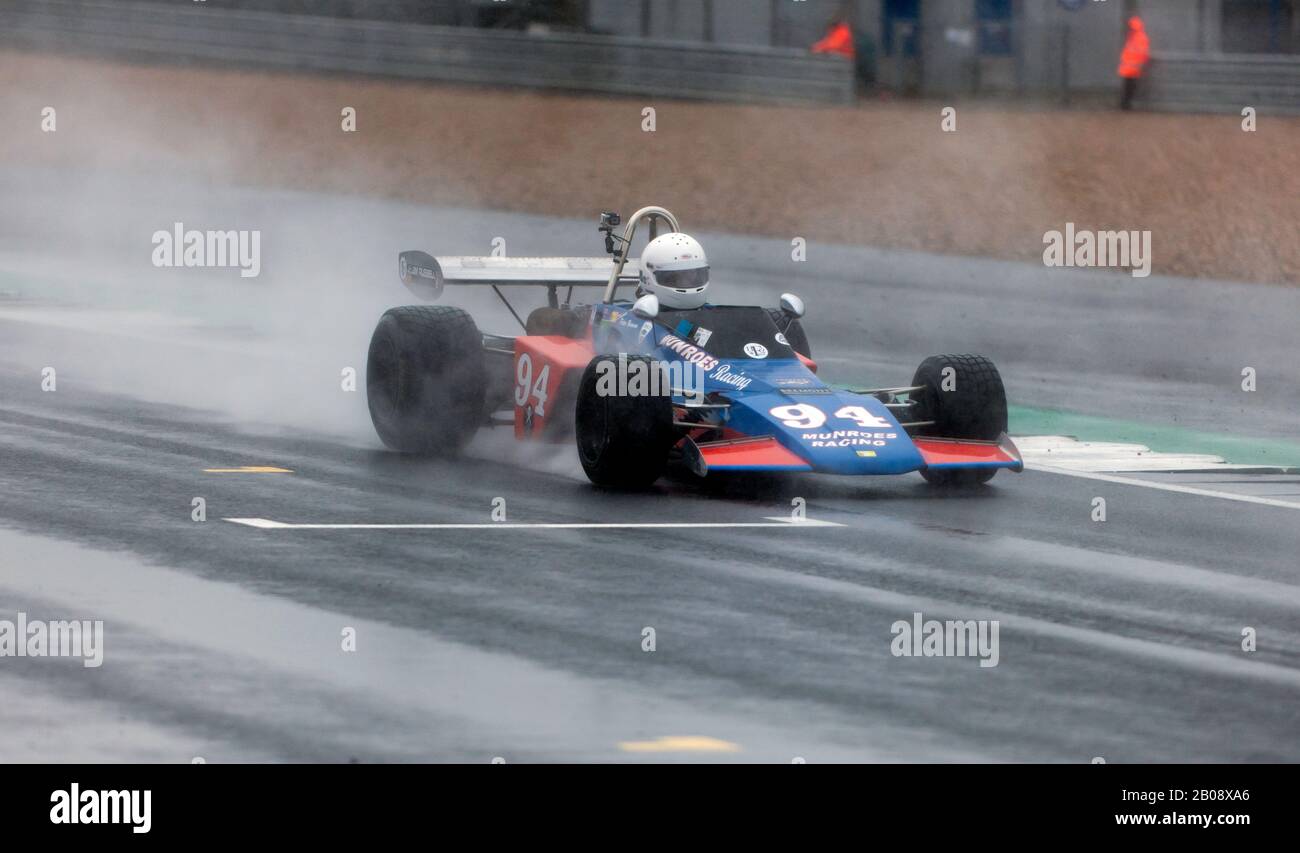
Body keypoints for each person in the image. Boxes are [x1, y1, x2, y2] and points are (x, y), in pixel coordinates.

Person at [639, 233, 709, 309]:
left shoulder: (715, 314)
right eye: (673, 278)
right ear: (647, 278)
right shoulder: (632, 318)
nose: (685, 282)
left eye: (691, 275)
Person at [1118, 16, 1151, 110]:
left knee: (1130, 88)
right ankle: (1125, 105)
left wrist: (1140, 65)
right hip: (1130, 69)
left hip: (1133, 69)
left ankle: (1126, 105)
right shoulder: (1134, 37)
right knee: (1128, 88)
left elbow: (1142, 53)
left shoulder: (1139, 38)